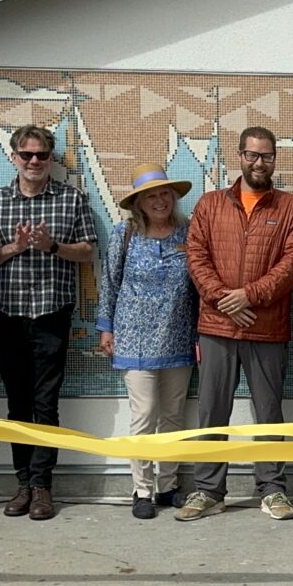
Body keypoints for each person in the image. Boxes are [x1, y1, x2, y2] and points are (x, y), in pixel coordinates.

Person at [181, 127, 293, 522]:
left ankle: (272, 490)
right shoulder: (209, 205)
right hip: (217, 327)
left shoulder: (290, 209)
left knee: (269, 412)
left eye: (266, 156)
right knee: (211, 412)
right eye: (252, 155)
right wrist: (224, 299)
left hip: (266, 327)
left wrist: (249, 295)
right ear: (239, 156)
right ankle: (207, 491)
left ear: (275, 159)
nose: (259, 163)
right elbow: (196, 256)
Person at [0, 124, 98, 521]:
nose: (34, 161)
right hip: (10, 313)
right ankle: (22, 484)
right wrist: (15, 247)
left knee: (45, 404)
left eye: (42, 155)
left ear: (51, 159)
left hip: (52, 313)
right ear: (13, 157)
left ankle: (43, 485)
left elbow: (87, 252)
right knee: (17, 405)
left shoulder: (72, 199)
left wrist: (51, 246)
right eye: (26, 155)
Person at [96, 163, 198, 520]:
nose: (159, 200)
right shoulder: (125, 234)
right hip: (134, 338)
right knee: (144, 415)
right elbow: (109, 281)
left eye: (164, 193)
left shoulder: (188, 233)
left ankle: (168, 485)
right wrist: (105, 327)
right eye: (151, 195)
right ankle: (141, 489)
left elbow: (198, 286)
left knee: (173, 415)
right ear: (138, 202)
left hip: (178, 335)